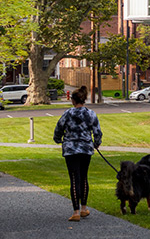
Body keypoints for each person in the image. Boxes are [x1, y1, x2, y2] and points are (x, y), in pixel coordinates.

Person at [53, 85, 102, 222]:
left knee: (74, 179)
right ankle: (84, 208)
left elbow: (59, 128)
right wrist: (96, 143)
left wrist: (58, 139)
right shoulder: (91, 114)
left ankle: (75, 212)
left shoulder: (67, 114)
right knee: (84, 177)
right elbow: (97, 131)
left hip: (71, 149)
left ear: (73, 100)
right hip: (86, 149)